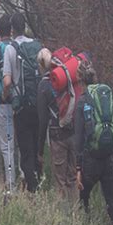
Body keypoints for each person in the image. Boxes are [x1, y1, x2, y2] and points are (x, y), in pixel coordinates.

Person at [75, 60, 113, 225]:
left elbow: (79, 138)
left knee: (83, 196)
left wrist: (78, 167)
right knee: (111, 200)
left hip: (91, 158)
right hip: (108, 157)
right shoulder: (107, 96)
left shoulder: (83, 101)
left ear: (80, 80)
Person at [2, 12, 41, 193]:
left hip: (22, 106)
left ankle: (32, 190)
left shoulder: (11, 49)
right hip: (38, 103)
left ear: (12, 29)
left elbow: (7, 82)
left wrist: (6, 96)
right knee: (36, 145)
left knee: (25, 150)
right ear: (24, 26)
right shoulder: (37, 46)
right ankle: (39, 180)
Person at [37, 48, 78, 204]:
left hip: (57, 135)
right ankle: (75, 212)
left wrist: (40, 150)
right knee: (72, 177)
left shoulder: (43, 86)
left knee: (60, 181)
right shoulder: (66, 79)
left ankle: (62, 214)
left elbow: (43, 120)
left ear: (41, 65)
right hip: (73, 131)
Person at [0, 14, 16, 192]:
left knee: (6, 144)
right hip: (19, 101)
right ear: (11, 30)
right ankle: (23, 176)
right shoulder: (17, 48)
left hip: (3, 101)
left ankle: (10, 183)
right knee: (17, 143)